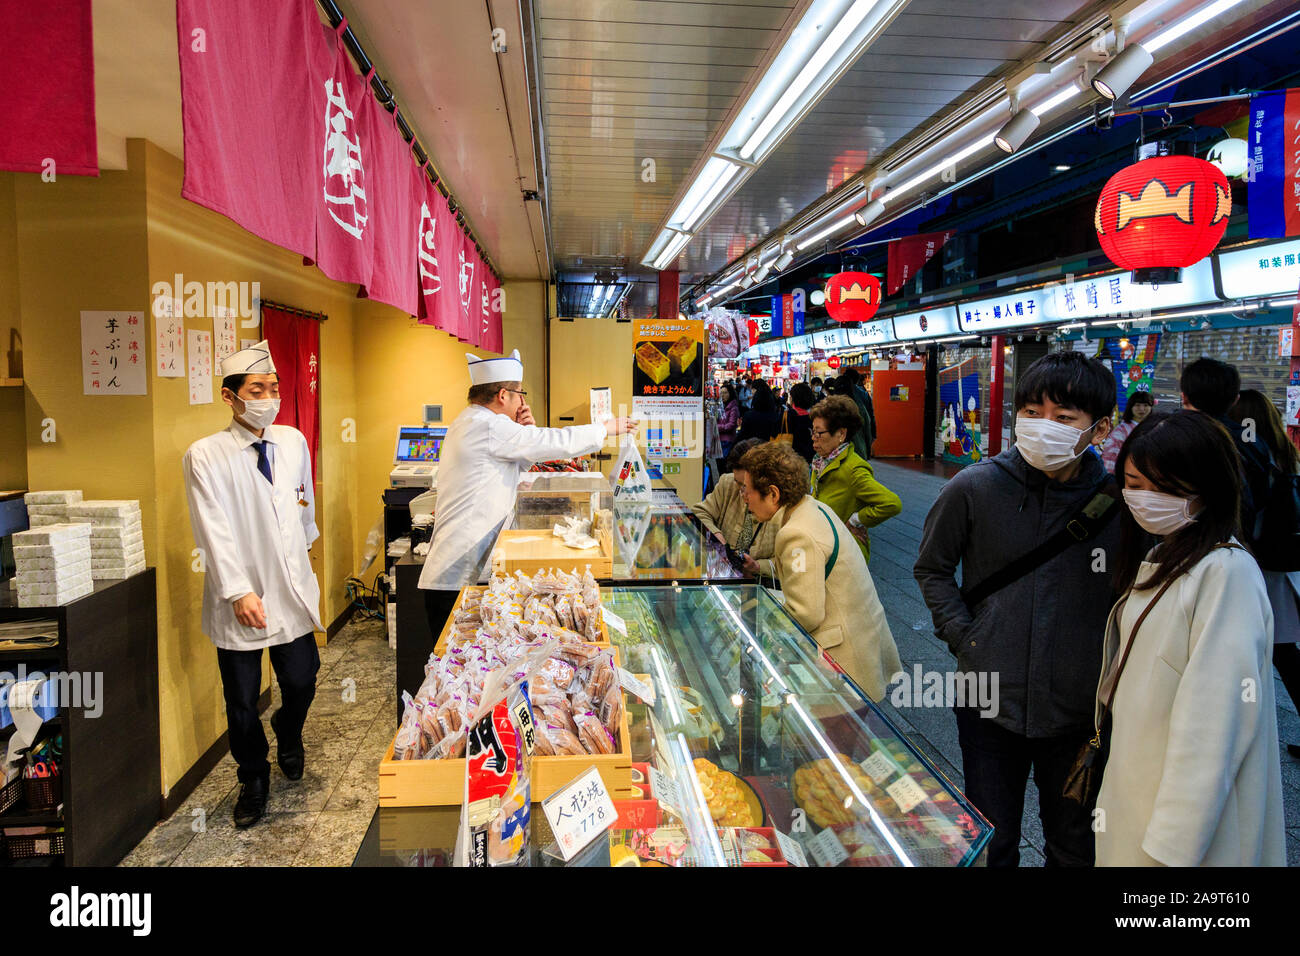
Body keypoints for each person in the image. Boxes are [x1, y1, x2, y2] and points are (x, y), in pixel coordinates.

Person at [914, 351, 1120, 867]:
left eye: (1063, 418)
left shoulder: (1118, 503)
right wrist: (966, 636)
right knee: (991, 838)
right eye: (1031, 412)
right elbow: (932, 568)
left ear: (1100, 429)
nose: (1042, 426)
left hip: (1079, 710)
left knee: (1074, 845)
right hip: (988, 701)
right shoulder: (975, 487)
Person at [1095, 410, 1285, 866]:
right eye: (1134, 482)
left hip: (1183, 836)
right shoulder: (1172, 554)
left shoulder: (1226, 573)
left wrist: (1171, 848)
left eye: (1163, 486)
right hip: (1143, 795)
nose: (1143, 498)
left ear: (1208, 487)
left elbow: (1214, 724)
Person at [183, 341, 322, 828]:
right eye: (256, 389)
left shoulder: (293, 441)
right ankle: (254, 778)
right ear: (230, 397)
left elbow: (302, 502)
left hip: (290, 587)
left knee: (302, 680)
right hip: (239, 595)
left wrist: (304, 554)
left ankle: (288, 726)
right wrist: (238, 590)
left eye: (274, 387)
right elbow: (212, 529)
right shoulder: (205, 455)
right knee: (241, 701)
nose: (269, 396)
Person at [418, 349, 635, 635]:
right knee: (453, 664)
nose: (523, 401)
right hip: (455, 575)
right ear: (503, 395)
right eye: (521, 394)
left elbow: (512, 467)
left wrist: (525, 432)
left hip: (461, 567)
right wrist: (604, 429)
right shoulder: (489, 425)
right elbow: (556, 440)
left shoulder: (474, 422)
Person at [737, 442, 902, 702]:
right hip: (863, 639)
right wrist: (762, 568)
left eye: (747, 490)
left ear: (772, 493)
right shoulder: (812, 507)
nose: (744, 497)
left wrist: (761, 621)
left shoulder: (796, 532)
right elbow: (808, 572)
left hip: (842, 663)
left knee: (840, 737)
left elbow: (806, 613)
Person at [1228, 388, 1300, 759]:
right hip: (1283, 562)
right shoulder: (1284, 452)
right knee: (1281, 650)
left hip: (1263, 562)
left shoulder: (1254, 456)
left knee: (1275, 650)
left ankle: (1245, 724)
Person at [1180, 357, 1270, 539]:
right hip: (1239, 541)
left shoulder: (1172, 437)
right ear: (1235, 400)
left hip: (1185, 541)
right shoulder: (1253, 441)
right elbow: (1261, 496)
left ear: (1184, 396)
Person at [809, 395, 901, 563]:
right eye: (813, 432)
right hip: (824, 550)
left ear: (841, 434)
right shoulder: (820, 462)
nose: (814, 438)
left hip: (844, 557)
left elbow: (891, 503)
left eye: (819, 433)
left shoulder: (853, 468)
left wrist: (855, 520)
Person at [691, 438, 778, 581]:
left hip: (761, 585)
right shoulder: (727, 483)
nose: (741, 492)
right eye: (738, 483)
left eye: (745, 485)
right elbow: (699, 512)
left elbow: (789, 565)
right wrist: (715, 535)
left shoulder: (781, 507)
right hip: (724, 577)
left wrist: (758, 566)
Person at [1099, 390, 1153, 474]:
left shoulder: (1154, 427)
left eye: (1146, 405)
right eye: (1137, 405)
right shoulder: (1121, 430)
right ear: (1130, 407)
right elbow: (1110, 456)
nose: (1142, 409)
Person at [838, 370, 876, 459]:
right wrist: (872, 436)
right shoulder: (863, 395)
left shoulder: (832, 403)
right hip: (859, 442)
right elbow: (870, 417)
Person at [736, 379, 782, 443]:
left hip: (753, 450)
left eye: (752, 389)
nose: (751, 392)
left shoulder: (749, 416)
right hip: (770, 449)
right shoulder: (775, 415)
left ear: (756, 391)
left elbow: (742, 436)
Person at [783, 382, 816, 463]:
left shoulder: (787, 415)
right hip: (810, 460)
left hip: (790, 460)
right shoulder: (815, 417)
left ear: (793, 398)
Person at [716, 384, 741, 461]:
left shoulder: (734, 408)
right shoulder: (721, 406)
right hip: (719, 439)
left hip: (727, 441)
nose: (722, 395)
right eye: (721, 393)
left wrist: (717, 427)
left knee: (723, 463)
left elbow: (731, 425)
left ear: (730, 394)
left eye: (725, 393)